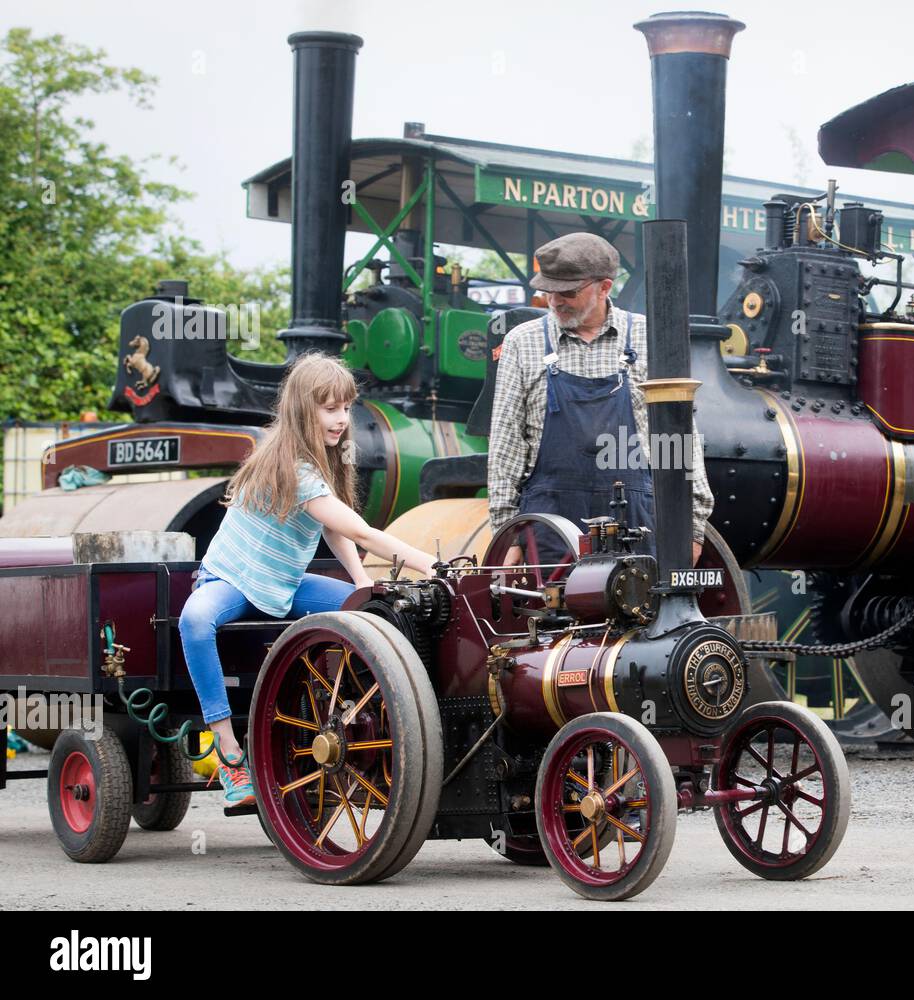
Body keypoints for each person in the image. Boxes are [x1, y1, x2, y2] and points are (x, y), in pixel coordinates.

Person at [179, 353, 439, 808]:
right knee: (195, 621)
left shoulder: (324, 463)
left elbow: (336, 530)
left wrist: (362, 587)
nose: (341, 419)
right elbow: (360, 530)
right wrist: (429, 565)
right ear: (303, 409)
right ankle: (227, 748)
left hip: (282, 582)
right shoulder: (292, 467)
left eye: (344, 408)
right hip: (234, 579)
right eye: (329, 408)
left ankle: (347, 714)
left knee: (370, 616)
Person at [487, 232, 713, 570]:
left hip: (636, 521)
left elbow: (678, 440)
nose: (555, 302)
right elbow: (505, 445)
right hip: (548, 524)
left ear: (604, 287)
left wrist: (692, 528)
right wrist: (506, 533)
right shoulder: (523, 342)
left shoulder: (651, 337)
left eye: (568, 292)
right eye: (549, 292)